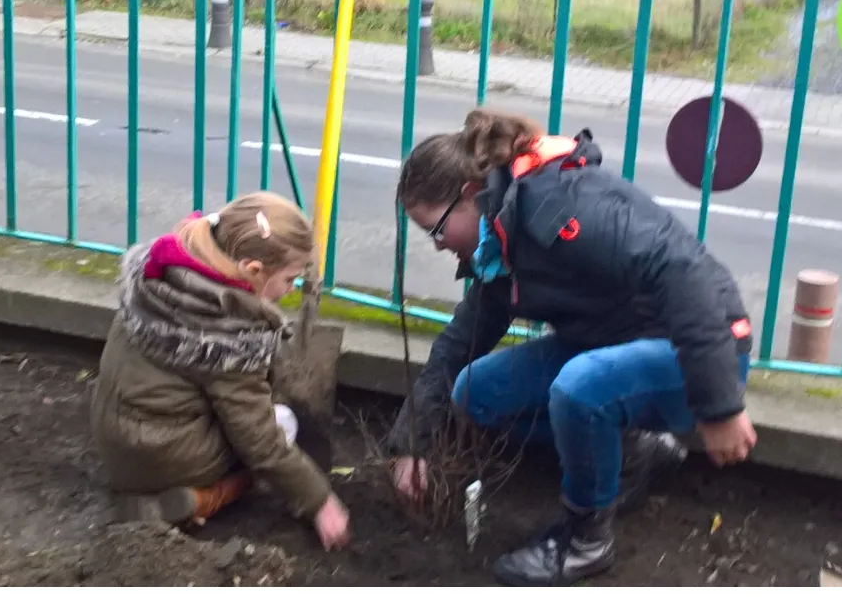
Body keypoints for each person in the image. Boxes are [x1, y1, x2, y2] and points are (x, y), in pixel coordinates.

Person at [387, 108, 758, 586]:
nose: (437, 246)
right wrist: (410, 445)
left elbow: (689, 275)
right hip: (615, 348)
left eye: (435, 230)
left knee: (580, 388)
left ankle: (586, 540)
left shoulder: (566, 207)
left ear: (470, 195)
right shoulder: (502, 242)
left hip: (700, 352)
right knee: (475, 391)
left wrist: (720, 407)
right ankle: (635, 451)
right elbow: (459, 345)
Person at [89, 192, 351, 551]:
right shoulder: (229, 333)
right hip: (165, 458)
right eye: (290, 279)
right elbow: (260, 443)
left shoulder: (162, 275)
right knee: (282, 423)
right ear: (253, 270)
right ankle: (201, 498)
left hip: (116, 438)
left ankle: (163, 489)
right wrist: (319, 501)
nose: (291, 290)